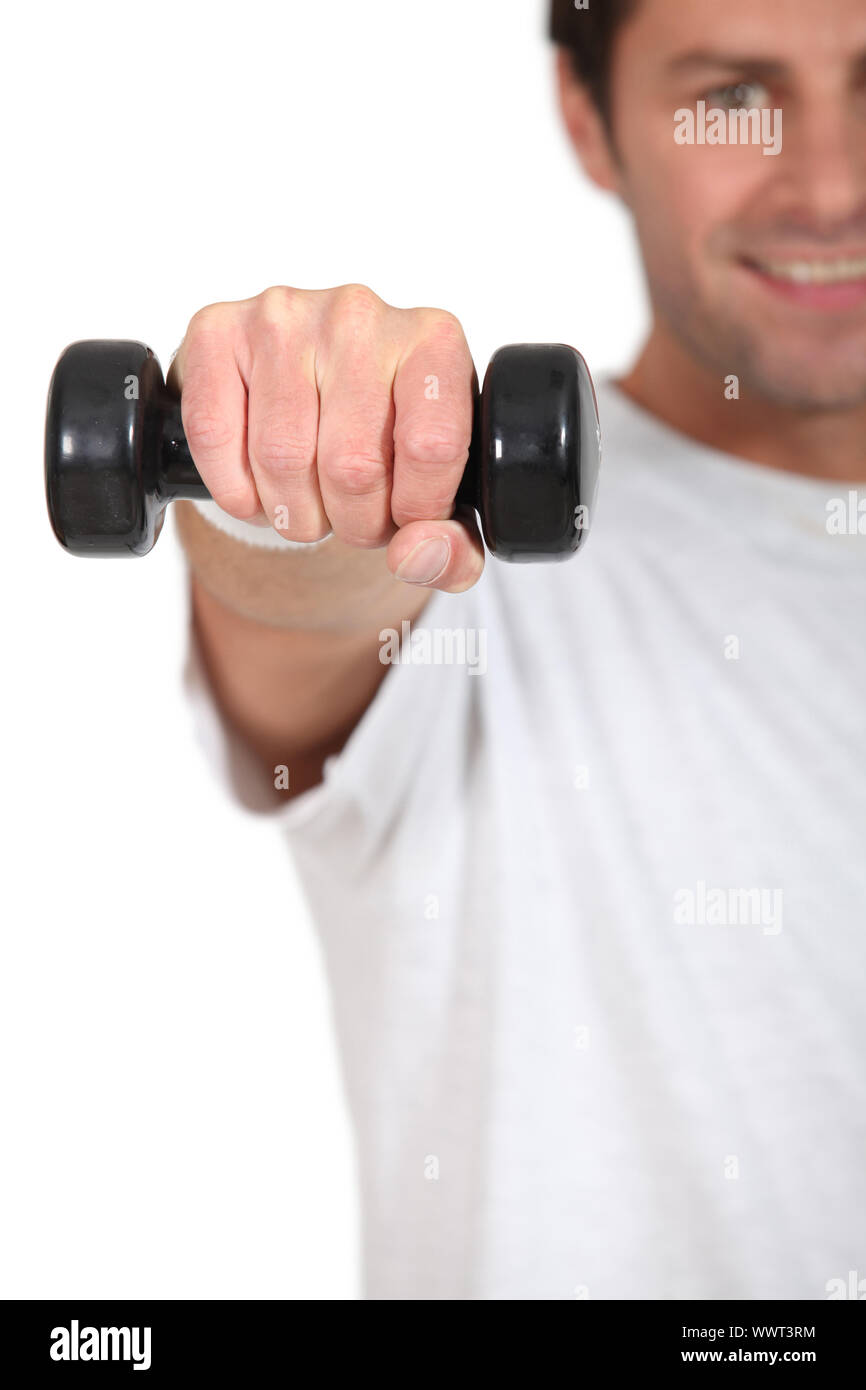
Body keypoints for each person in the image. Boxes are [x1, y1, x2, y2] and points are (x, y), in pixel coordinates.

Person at [170, 0, 866, 1299]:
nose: (828, 181)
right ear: (585, 119)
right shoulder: (493, 545)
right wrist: (294, 472)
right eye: (730, 99)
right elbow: (299, 604)